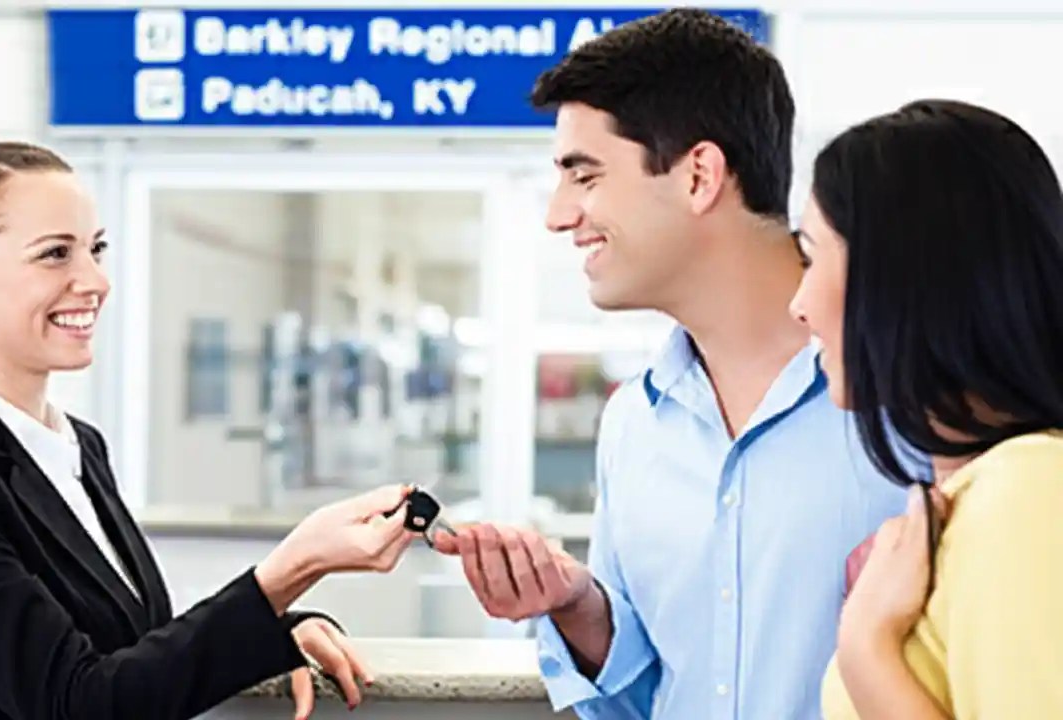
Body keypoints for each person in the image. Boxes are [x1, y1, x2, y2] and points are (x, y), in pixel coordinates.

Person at [433, 10, 908, 719]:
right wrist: (580, 609)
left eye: (584, 176)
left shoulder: (912, 396)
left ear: (698, 176)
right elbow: (642, 705)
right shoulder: (633, 424)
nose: (559, 215)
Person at [0, 141, 417, 720]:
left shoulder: (76, 446)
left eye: (95, 249)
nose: (94, 280)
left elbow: (126, 650)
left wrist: (276, 631)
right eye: (54, 254)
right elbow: (81, 704)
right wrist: (292, 570)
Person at [789, 99, 1063, 719]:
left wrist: (867, 650)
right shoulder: (983, 495)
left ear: (901, 276)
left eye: (811, 256)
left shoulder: (1029, 488)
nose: (799, 304)